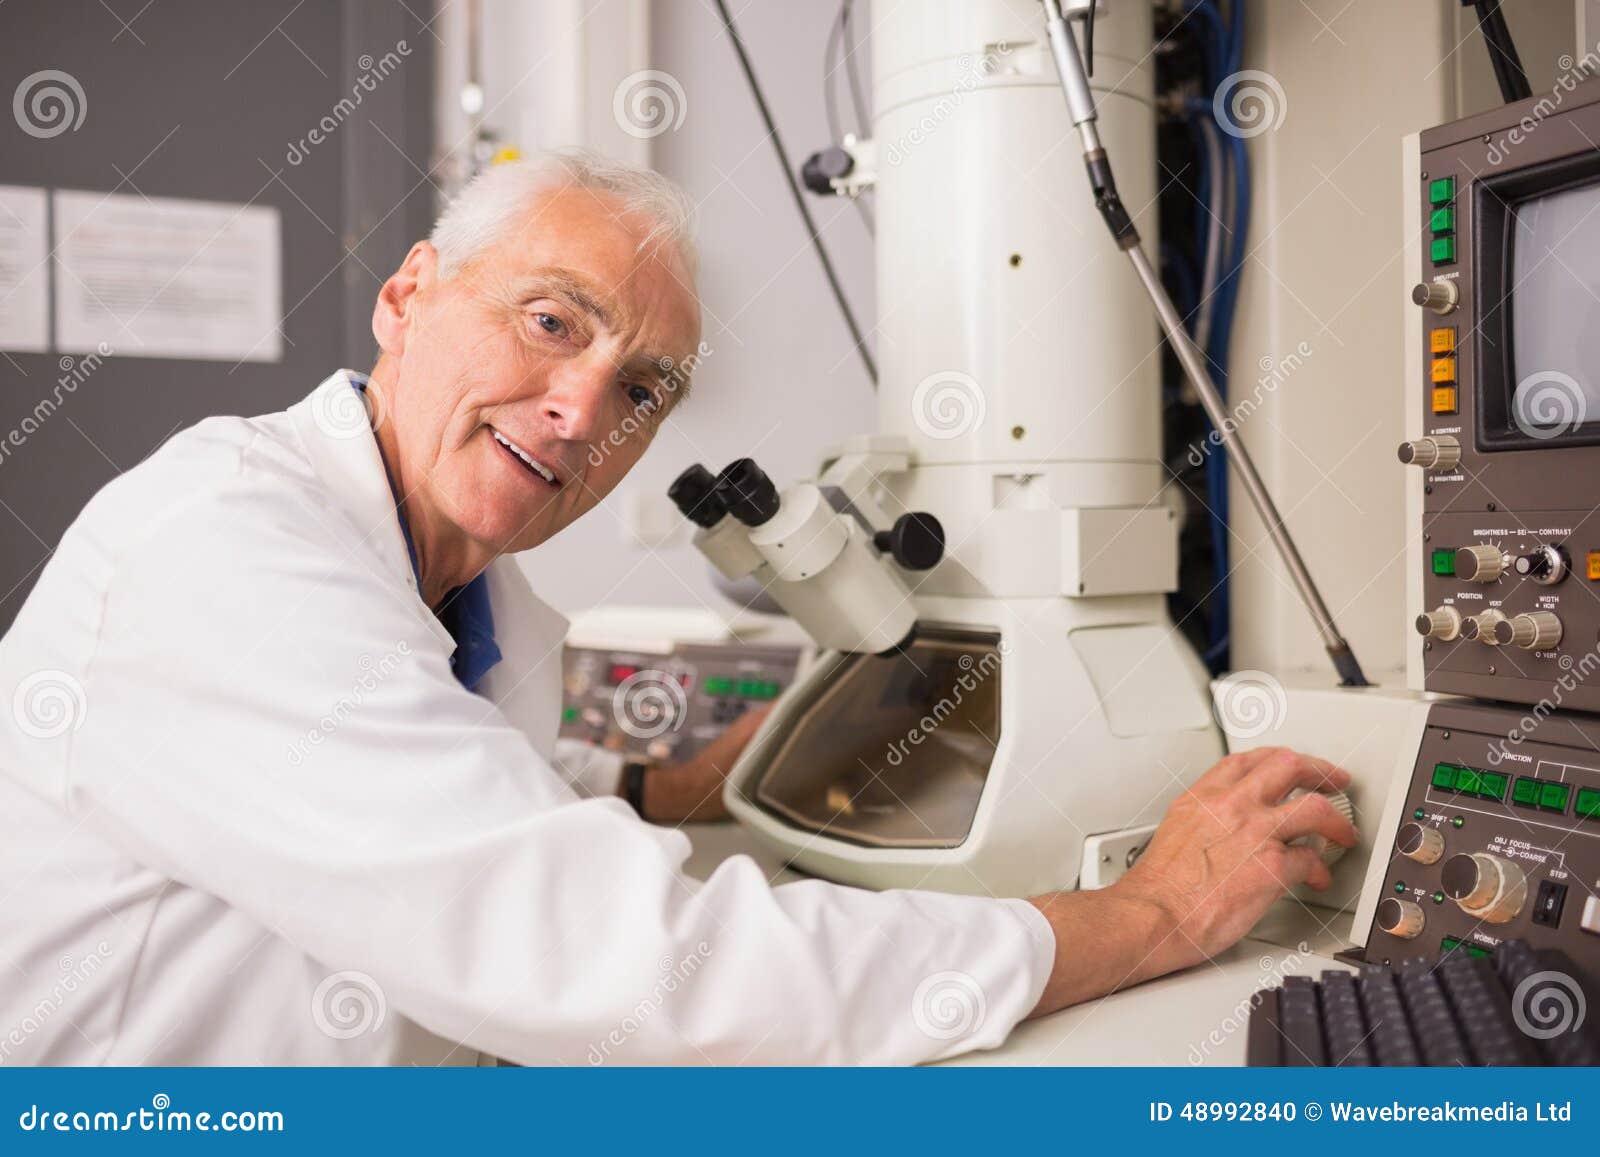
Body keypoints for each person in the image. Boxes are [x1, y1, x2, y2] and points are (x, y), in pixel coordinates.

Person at [0, 152, 1355, 1066]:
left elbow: (489, 783)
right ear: (408, 295)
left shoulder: (484, 594)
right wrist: (1154, 915)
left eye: (642, 388)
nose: (584, 409)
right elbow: (627, 960)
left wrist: (690, 785)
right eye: (551, 322)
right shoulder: (227, 548)